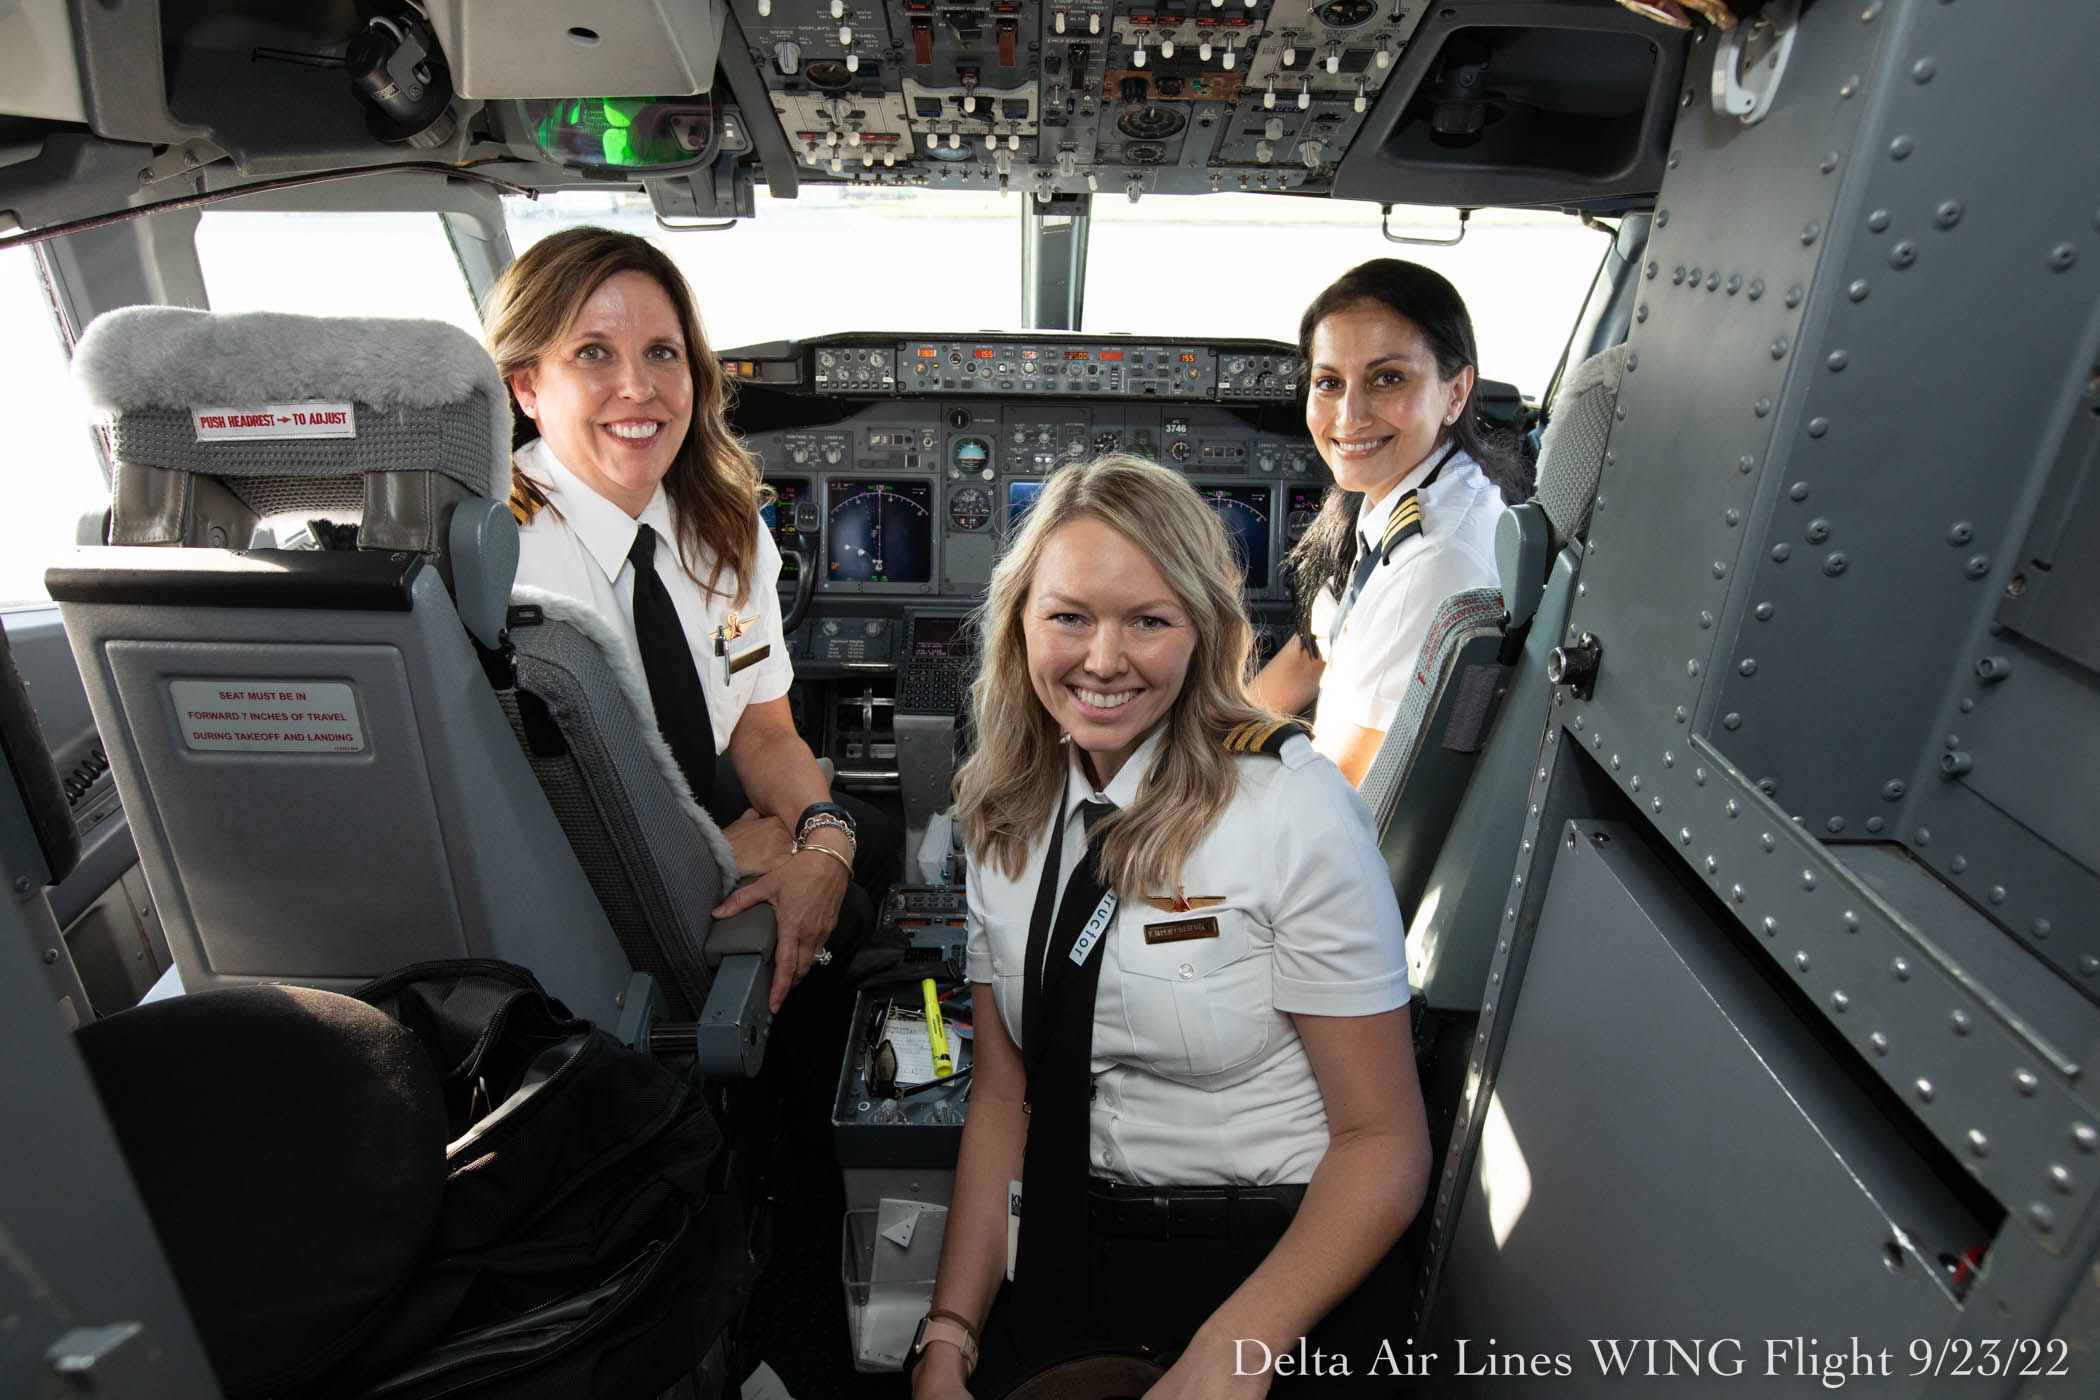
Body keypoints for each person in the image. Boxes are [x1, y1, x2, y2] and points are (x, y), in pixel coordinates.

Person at [913, 456, 1431, 1398]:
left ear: (1202, 632)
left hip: (1276, 1257)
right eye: (1068, 617)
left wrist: (1236, 1348)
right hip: (1074, 1242)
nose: (1103, 660)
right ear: (1020, 622)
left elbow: (1385, 1143)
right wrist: (946, 1337)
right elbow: (1002, 1100)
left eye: (1147, 621)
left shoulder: (1292, 809)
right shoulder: (1004, 816)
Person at [483, 227, 889, 1012]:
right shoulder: (497, 551)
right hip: (579, 878)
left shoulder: (722, 525)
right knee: (849, 927)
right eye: (593, 353)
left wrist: (822, 840)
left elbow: (764, 731)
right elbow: (505, 817)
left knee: (865, 843)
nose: (638, 388)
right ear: (527, 386)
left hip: (694, 814)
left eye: (662, 353)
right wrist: (708, 856)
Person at [1251, 259, 1527, 787]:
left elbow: (1342, 788)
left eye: (1388, 379)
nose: (1350, 416)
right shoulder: (1409, 495)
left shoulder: (1433, 560)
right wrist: (1199, 741)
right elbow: (1316, 653)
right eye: (1329, 382)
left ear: (1456, 392)